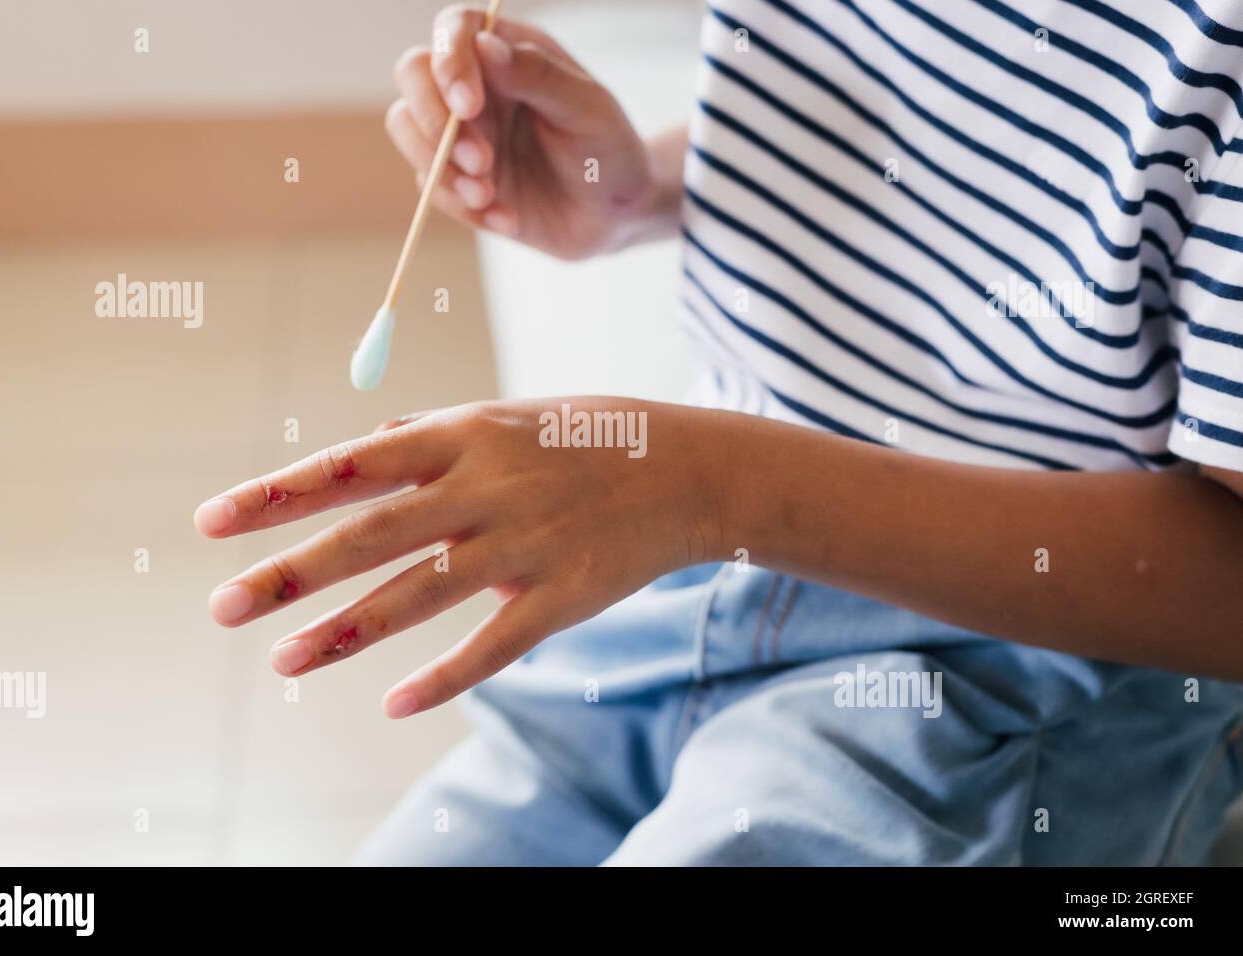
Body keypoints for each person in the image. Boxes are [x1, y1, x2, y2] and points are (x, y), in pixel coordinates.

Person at [194, 0, 1243, 865]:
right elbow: (972, 139)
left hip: (1007, 687)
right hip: (682, 611)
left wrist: (710, 486)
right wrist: (629, 188)